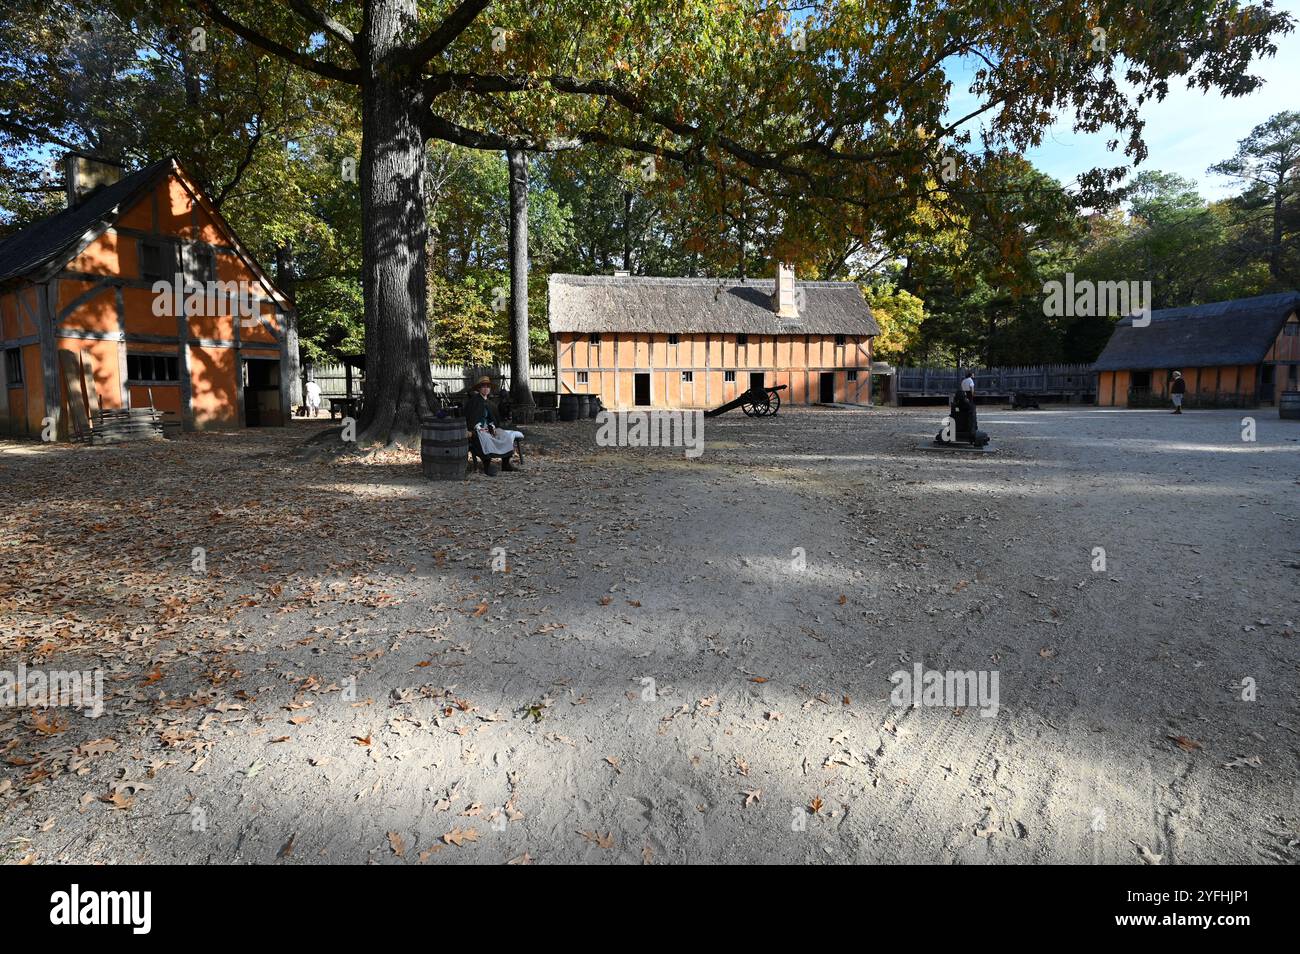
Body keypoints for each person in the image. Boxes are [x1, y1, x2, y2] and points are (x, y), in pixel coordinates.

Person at [464, 376, 523, 475]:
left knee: (505, 436)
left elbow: (495, 420)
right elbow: (470, 419)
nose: (486, 388)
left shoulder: (491, 403)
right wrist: (478, 427)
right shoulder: (473, 402)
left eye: (488, 386)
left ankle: (505, 464)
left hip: (490, 429)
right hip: (477, 430)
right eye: (483, 386)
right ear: (479, 389)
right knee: (485, 438)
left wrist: (493, 427)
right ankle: (487, 466)